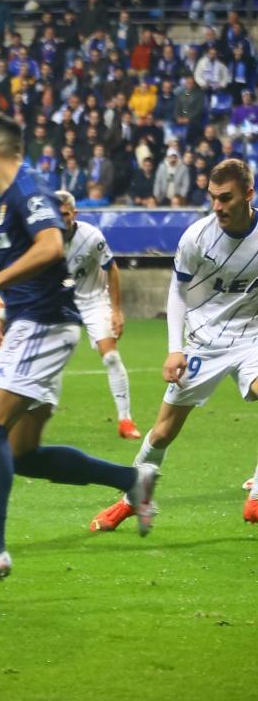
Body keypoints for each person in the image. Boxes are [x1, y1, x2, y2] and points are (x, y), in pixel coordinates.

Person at [0, 114, 158, 587]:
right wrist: (3, 319)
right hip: (31, 325)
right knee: (23, 454)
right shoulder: (2, 203)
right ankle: (132, 480)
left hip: (45, 327)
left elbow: (52, 245)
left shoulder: (28, 191)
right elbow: (32, 270)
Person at [90, 159, 258, 531]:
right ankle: (132, 499)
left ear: (248, 195)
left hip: (252, 337)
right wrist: (175, 347)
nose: (217, 207)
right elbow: (178, 292)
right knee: (164, 431)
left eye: (225, 198)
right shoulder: (197, 238)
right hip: (204, 341)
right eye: (212, 198)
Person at [55, 191, 141, 439]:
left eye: (66, 214)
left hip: (94, 301)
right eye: (57, 214)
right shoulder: (44, 239)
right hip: (61, 303)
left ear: (74, 214)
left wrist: (116, 311)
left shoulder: (91, 237)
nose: (62, 220)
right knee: (45, 362)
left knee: (111, 357)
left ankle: (125, 420)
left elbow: (112, 269)